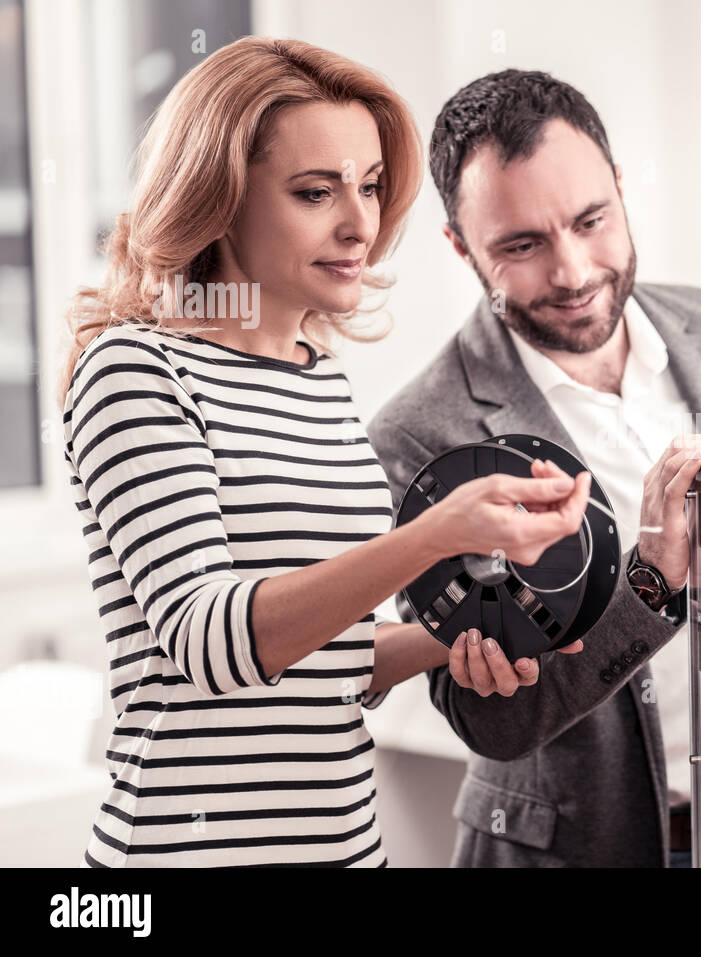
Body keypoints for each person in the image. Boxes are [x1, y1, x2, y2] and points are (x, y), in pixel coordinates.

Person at [57, 38, 589, 868]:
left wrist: (484, 630)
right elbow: (212, 641)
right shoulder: (134, 370)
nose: (360, 224)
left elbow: (327, 657)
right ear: (220, 199)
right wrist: (435, 535)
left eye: (370, 187)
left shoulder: (319, 381)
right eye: (315, 192)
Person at [368, 69, 701, 867]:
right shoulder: (421, 434)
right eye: (521, 245)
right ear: (461, 248)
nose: (574, 271)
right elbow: (498, 726)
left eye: (593, 220)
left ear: (621, 189)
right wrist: (650, 575)